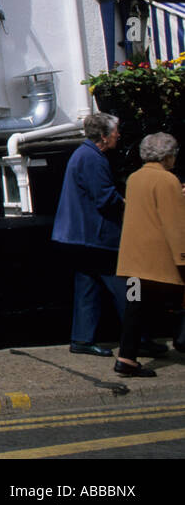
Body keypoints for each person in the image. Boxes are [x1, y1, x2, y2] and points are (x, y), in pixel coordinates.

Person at [52, 114, 166, 359]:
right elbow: (105, 198)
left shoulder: (82, 154)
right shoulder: (93, 159)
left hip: (76, 236)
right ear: (103, 136)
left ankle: (82, 339)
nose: (119, 135)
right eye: (115, 131)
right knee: (126, 288)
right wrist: (132, 204)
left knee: (88, 285)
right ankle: (139, 340)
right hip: (95, 236)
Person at [113, 133, 185, 378]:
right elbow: (175, 224)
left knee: (135, 308)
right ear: (166, 156)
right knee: (174, 302)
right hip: (159, 262)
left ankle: (126, 358)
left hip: (134, 261)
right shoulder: (168, 180)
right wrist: (183, 258)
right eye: (174, 154)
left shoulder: (134, 178)